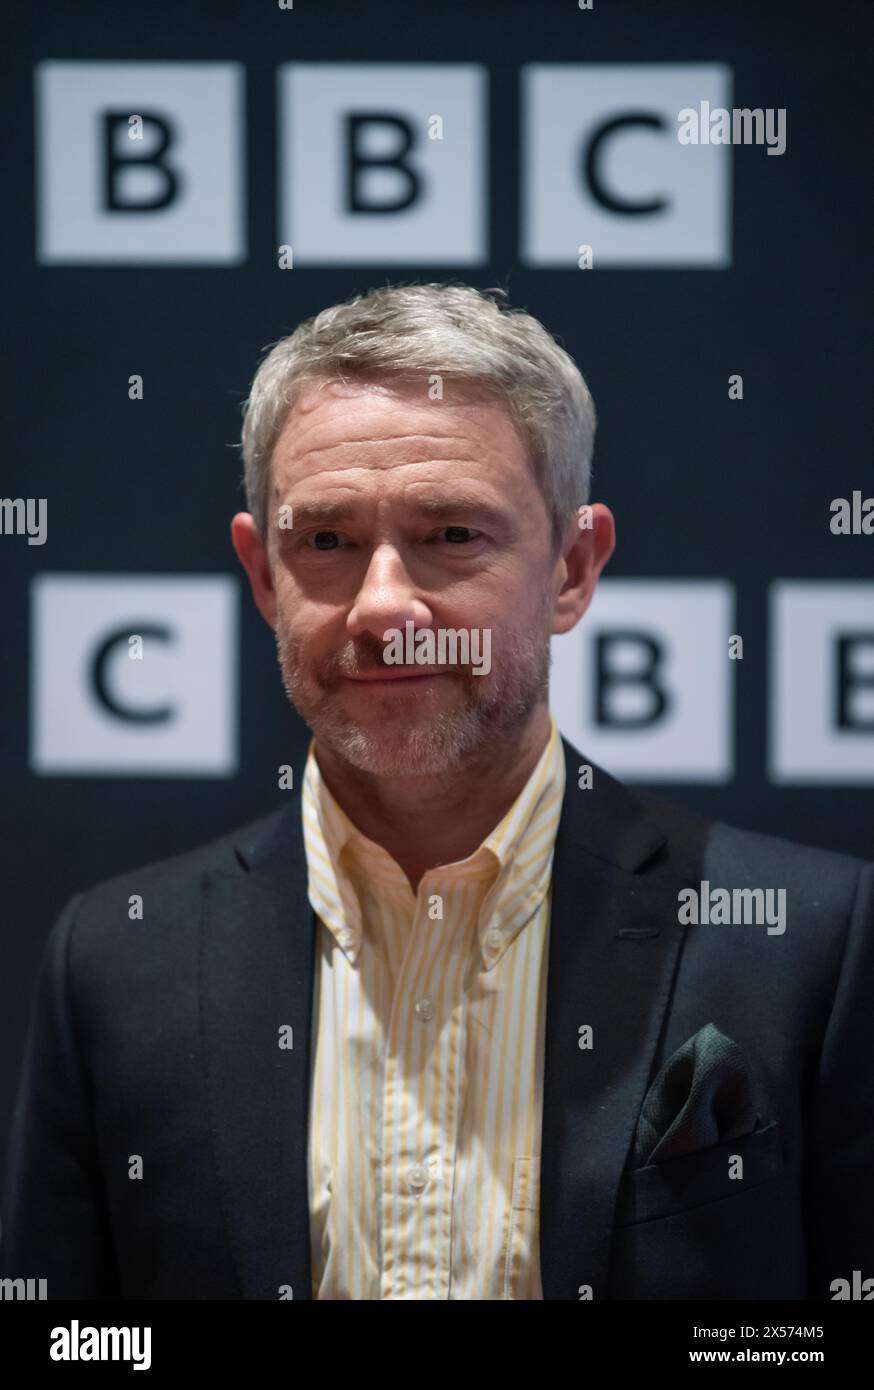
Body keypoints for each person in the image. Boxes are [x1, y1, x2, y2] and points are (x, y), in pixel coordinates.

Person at [2, 283, 872, 1300]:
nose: (383, 606)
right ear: (262, 573)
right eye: (325, 541)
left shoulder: (807, 944)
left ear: (573, 568)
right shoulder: (112, 961)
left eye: (452, 534)